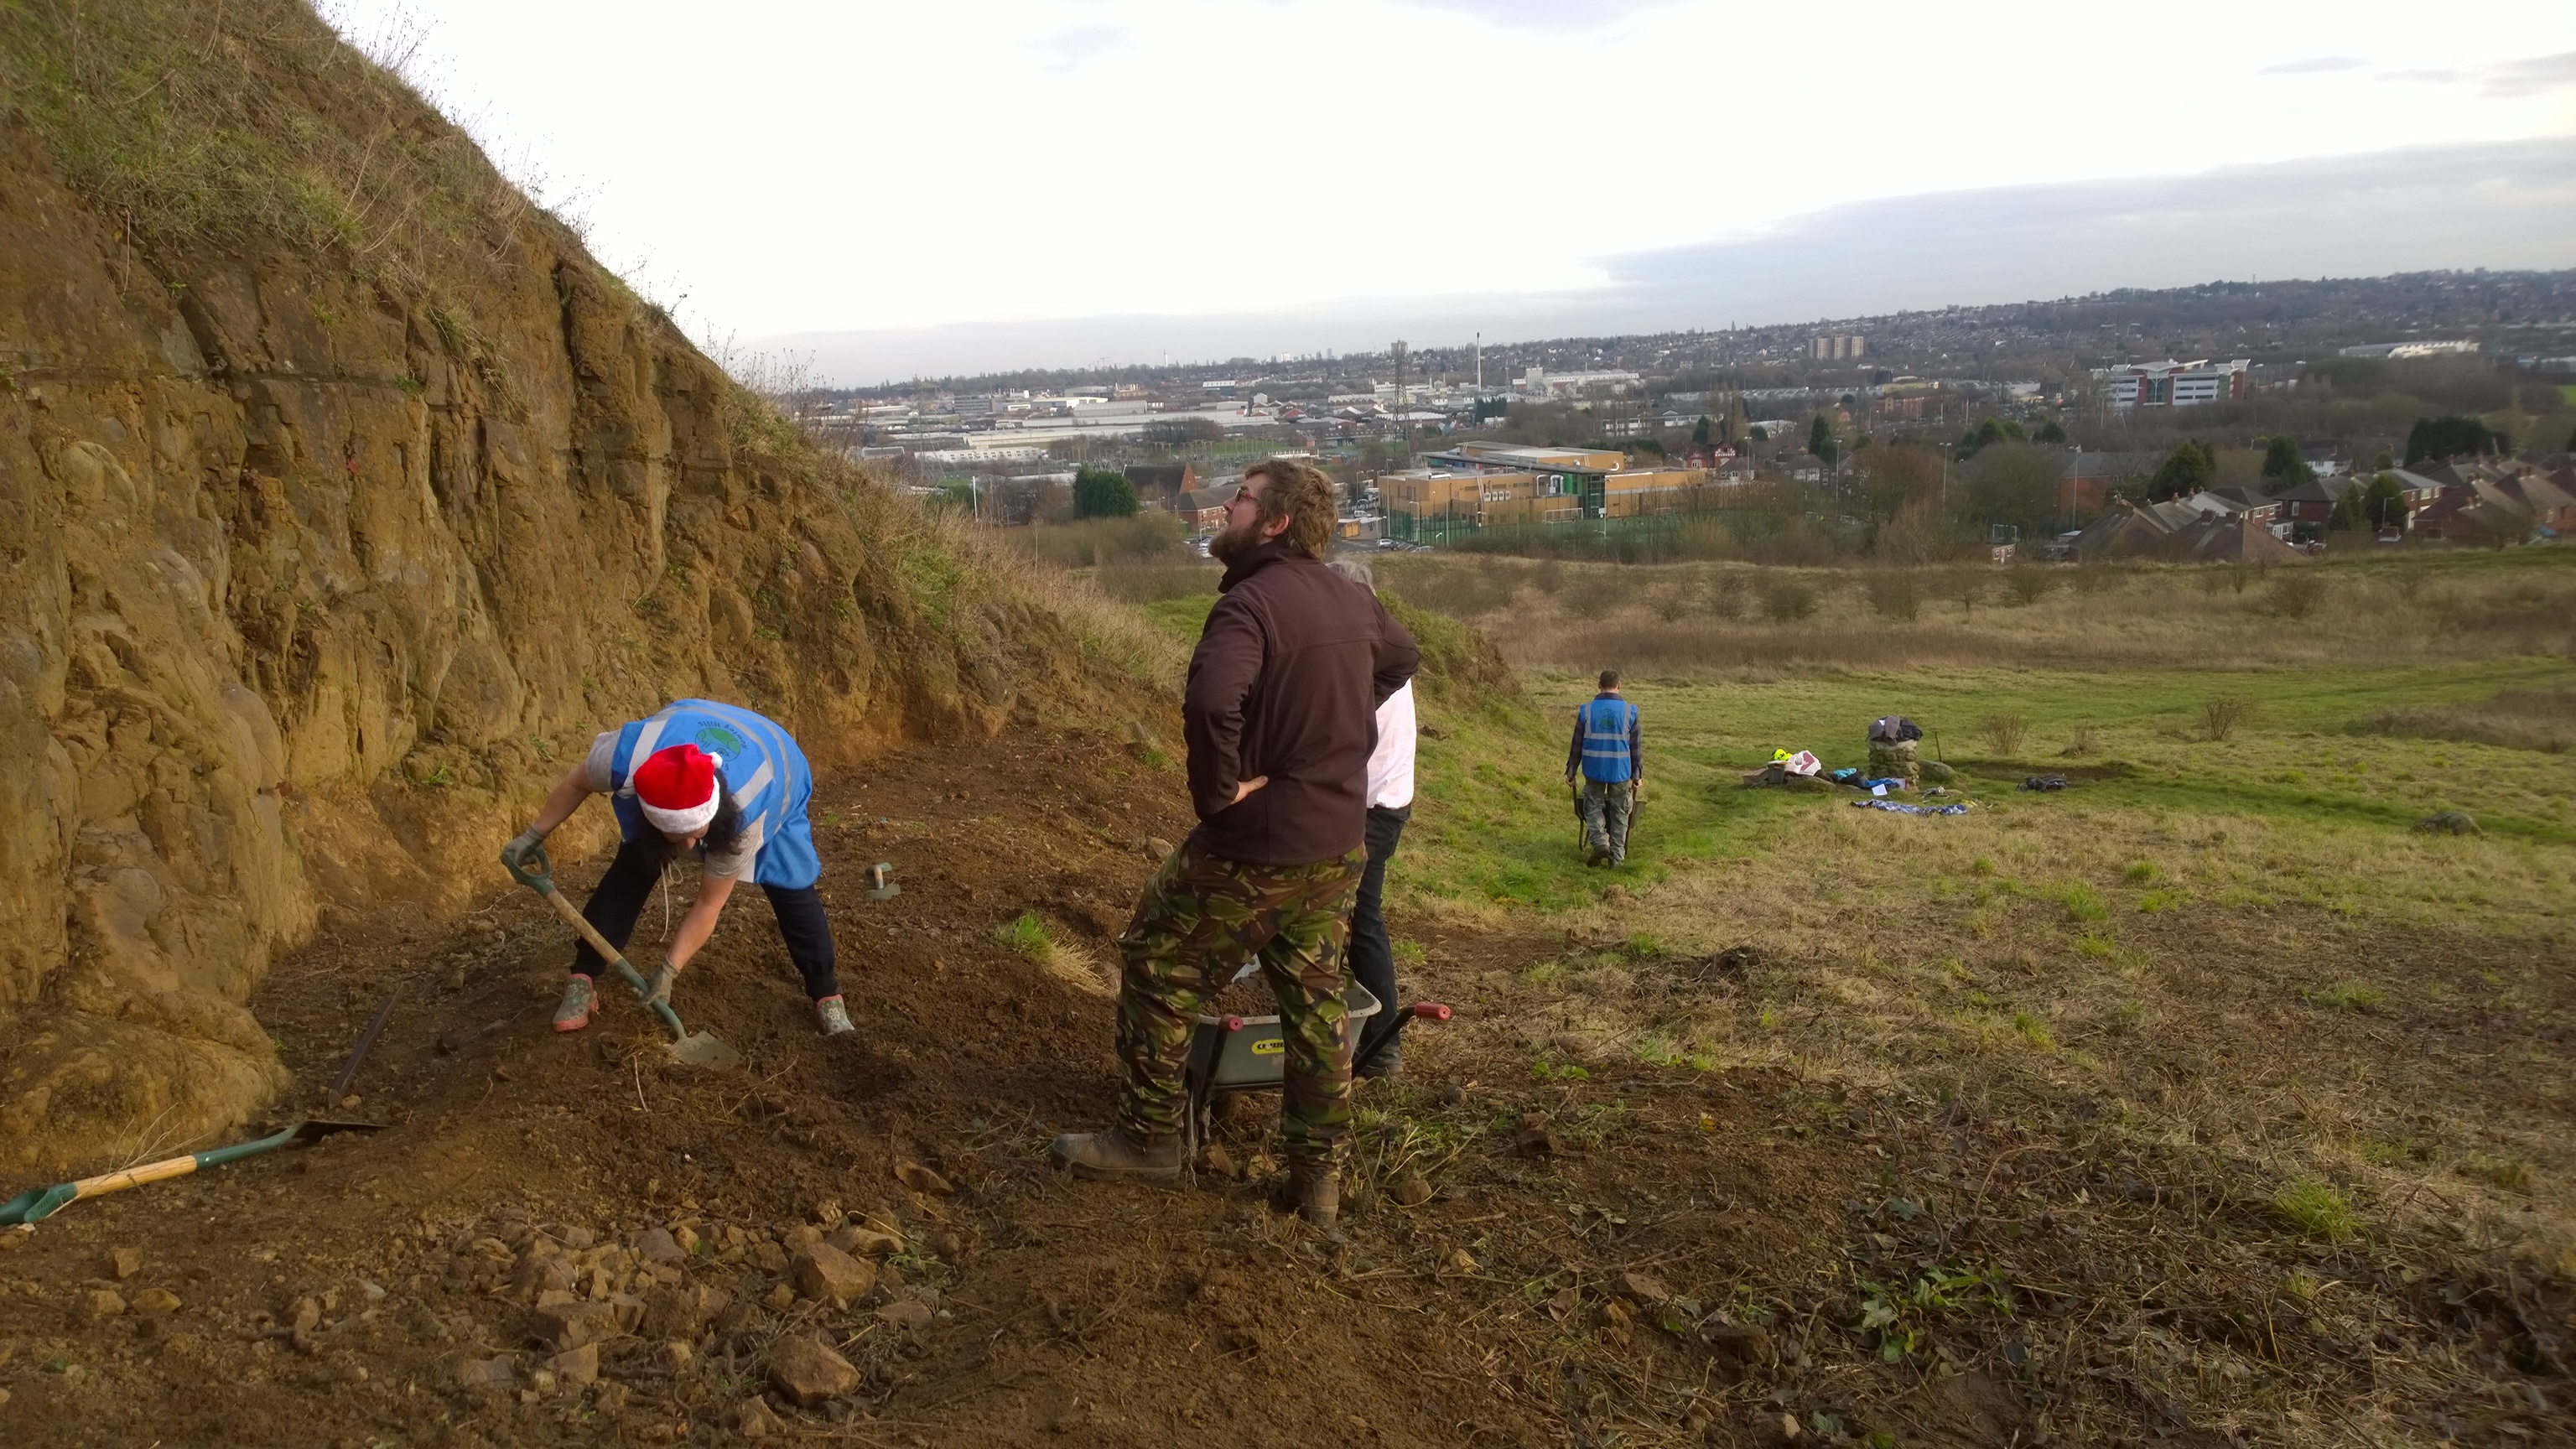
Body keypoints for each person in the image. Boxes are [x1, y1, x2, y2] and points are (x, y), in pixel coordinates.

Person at [1049, 460, 1419, 1229]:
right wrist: (1328, 741)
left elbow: (1213, 700)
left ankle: (1148, 1139)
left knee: (1157, 959)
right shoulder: (1350, 596)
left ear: (1276, 521)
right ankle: (1317, 1184)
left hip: (1256, 845)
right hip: (1337, 841)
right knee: (1314, 1002)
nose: (1227, 505)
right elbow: (1399, 660)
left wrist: (1224, 791)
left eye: (1242, 498)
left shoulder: (1250, 606)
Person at [499, 699, 852, 1038]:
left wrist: (669, 969)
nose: (688, 848)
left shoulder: (747, 814)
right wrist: (533, 836)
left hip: (778, 764)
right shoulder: (626, 757)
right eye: (676, 835)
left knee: (790, 884)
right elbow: (576, 783)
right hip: (687, 722)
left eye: (695, 834)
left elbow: (708, 903)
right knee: (635, 864)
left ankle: (825, 991)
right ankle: (583, 976)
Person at [1327, 558, 1415, 1081]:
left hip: (1373, 809)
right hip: (1376, 802)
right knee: (1345, 916)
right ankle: (1353, 1035)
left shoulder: (1369, 660)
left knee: (1362, 918)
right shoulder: (1381, 652)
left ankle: (1381, 1049)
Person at [1565, 669, 1641, 867]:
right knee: (1620, 812)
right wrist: (1637, 774)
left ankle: (1600, 841)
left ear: (1598, 685)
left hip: (1594, 769)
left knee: (1592, 807)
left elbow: (1577, 744)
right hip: (1620, 771)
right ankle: (1616, 858)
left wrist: (1571, 771)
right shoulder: (1630, 711)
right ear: (1619, 685)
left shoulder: (1586, 710)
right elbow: (1635, 747)